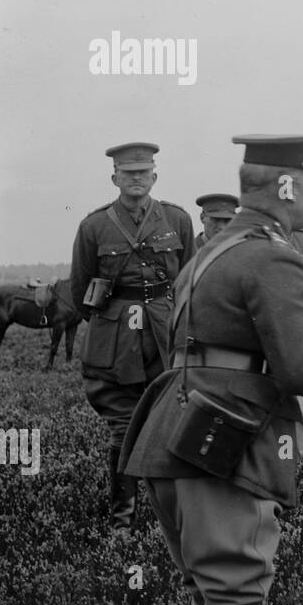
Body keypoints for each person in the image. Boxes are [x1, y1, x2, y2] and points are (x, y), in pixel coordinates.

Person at [121, 133, 303, 605]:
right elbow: (300, 368)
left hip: (174, 434)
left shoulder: (211, 252)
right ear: (286, 185)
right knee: (235, 595)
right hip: (224, 443)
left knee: (206, 593)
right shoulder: (273, 256)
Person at [71, 142, 194, 529]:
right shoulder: (94, 226)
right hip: (115, 342)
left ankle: (170, 517)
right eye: (128, 174)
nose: (136, 179)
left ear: (154, 176)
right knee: (123, 427)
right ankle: (122, 520)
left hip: (164, 333)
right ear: (115, 179)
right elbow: (79, 292)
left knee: (170, 421)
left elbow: (190, 279)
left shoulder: (177, 220)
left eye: (143, 173)